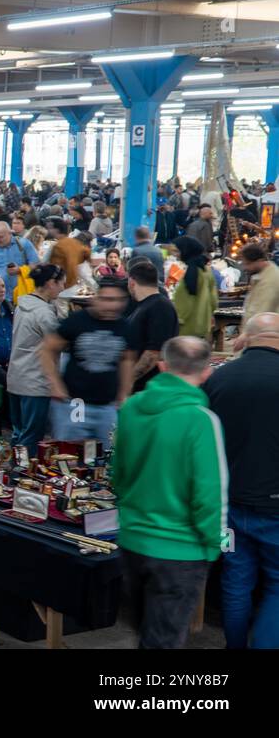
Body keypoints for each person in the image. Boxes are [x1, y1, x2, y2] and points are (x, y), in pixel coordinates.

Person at [111, 336, 227, 649]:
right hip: (181, 551)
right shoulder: (202, 420)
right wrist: (215, 545)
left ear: (162, 366)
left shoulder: (132, 408)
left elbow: (117, 474)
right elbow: (210, 493)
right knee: (163, 640)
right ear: (206, 372)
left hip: (133, 540)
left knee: (146, 633)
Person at [203, 312, 279, 649]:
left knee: (235, 581)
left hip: (227, 507)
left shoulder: (218, 378)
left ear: (245, 339)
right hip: (274, 507)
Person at [40, 276, 132, 444]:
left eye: (118, 300)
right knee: (72, 454)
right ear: (96, 298)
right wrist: (54, 384)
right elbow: (48, 349)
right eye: (107, 299)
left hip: (107, 405)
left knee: (107, 457)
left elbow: (127, 359)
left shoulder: (124, 326)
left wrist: (124, 392)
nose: (112, 305)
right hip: (77, 403)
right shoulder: (77, 321)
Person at [6, 264, 65, 452]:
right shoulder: (43, 313)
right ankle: (23, 477)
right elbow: (59, 342)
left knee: (18, 433)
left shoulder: (22, 305)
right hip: (35, 382)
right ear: (50, 283)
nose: (63, 288)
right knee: (31, 437)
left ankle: (14, 472)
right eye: (61, 284)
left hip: (16, 377)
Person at [126, 259, 180, 392]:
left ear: (131, 282)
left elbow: (153, 353)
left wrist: (127, 381)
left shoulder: (160, 306)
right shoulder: (145, 305)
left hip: (148, 387)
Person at [171, 236, 218, 341]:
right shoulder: (206, 270)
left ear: (186, 251)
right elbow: (213, 300)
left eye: (177, 251)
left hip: (187, 328)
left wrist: (178, 320)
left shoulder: (191, 273)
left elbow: (184, 303)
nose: (175, 255)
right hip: (203, 326)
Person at [0, 221, 38, 301]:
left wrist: (20, 270)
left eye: (0, 237)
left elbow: (36, 266)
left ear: (10, 233)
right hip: (0, 298)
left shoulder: (23, 244)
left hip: (23, 295)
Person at [239, 242, 279, 330]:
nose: (245, 268)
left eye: (248, 264)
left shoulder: (270, 279)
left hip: (264, 334)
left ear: (259, 261)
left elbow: (262, 311)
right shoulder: (261, 275)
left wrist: (247, 334)